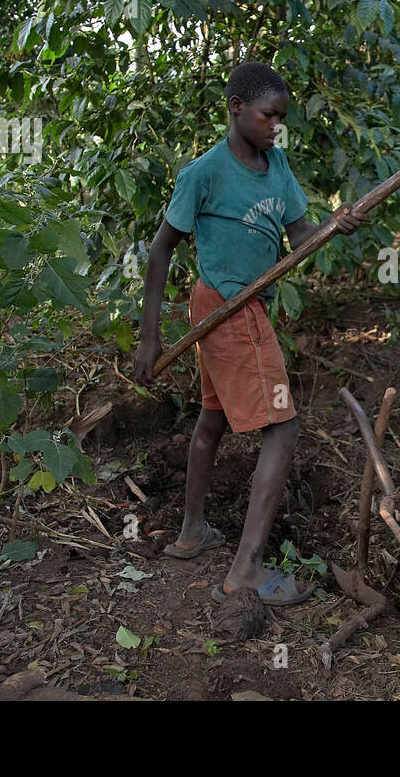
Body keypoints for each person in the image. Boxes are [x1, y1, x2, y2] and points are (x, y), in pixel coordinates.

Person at [133, 61, 364, 606]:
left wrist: (333, 225)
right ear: (236, 108)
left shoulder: (276, 164)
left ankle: (193, 533)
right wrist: (148, 337)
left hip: (243, 306)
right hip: (227, 307)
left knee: (213, 418)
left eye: (282, 118)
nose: (276, 127)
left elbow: (300, 234)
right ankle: (246, 571)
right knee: (282, 427)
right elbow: (161, 250)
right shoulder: (205, 173)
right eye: (268, 116)